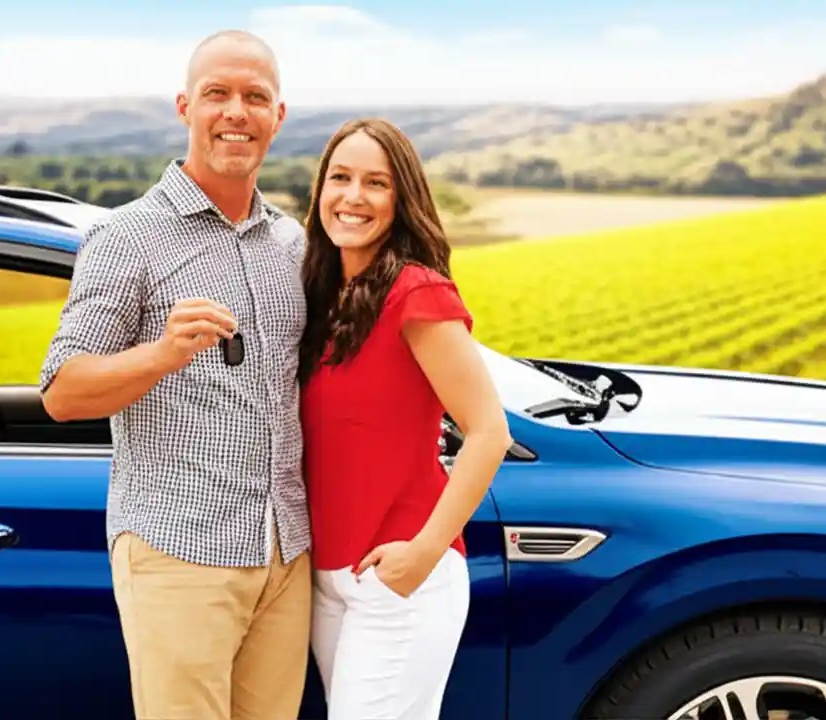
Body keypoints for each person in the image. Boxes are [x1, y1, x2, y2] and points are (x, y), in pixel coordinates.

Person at [38, 29, 312, 720]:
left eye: (255, 97)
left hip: (286, 552)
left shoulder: (292, 243)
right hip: (180, 551)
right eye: (217, 94)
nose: (236, 112)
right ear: (186, 106)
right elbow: (63, 391)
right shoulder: (127, 237)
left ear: (279, 115)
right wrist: (163, 352)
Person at [298, 118, 513, 720]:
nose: (353, 196)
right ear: (320, 190)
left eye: (376, 183)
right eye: (340, 178)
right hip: (329, 576)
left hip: (398, 580)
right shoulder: (323, 296)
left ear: (403, 199)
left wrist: (423, 552)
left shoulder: (417, 293)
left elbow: (489, 432)